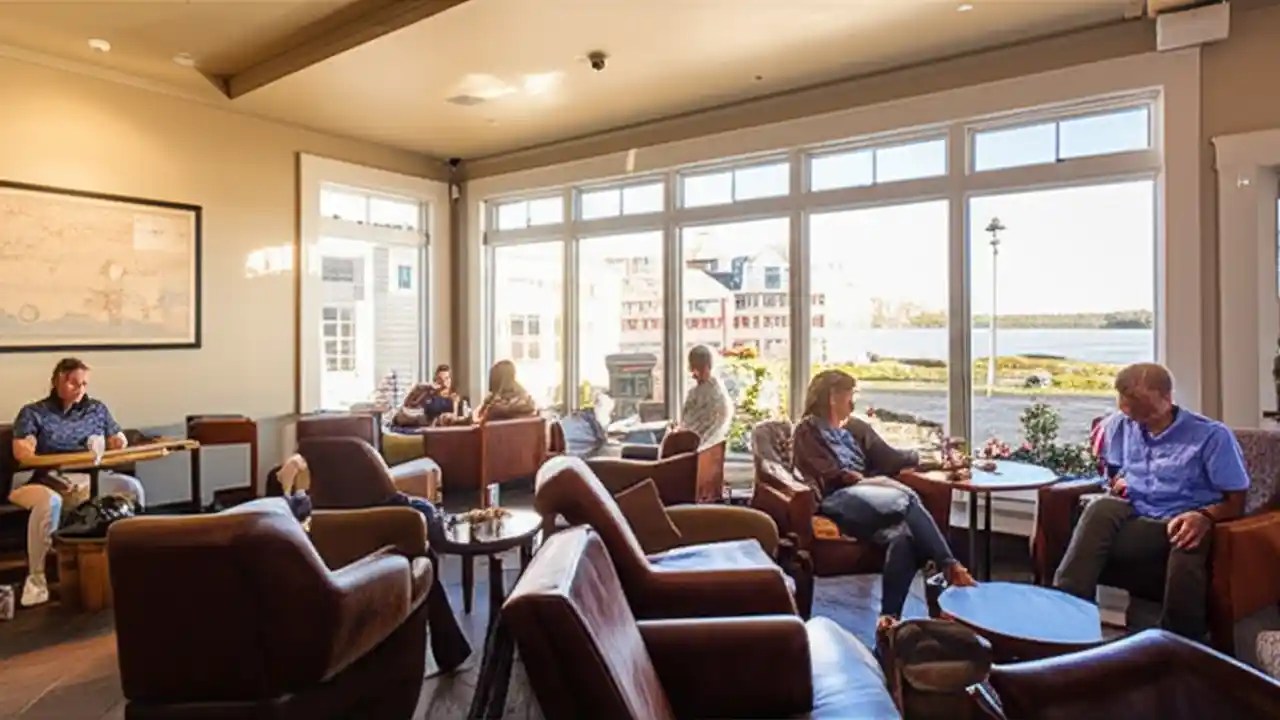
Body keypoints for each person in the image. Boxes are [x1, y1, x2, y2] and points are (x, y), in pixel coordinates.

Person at [1054, 362, 1250, 640]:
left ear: (1167, 398)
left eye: (1143, 411)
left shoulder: (1212, 436)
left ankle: (1179, 643)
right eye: (1128, 408)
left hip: (1183, 519)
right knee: (1101, 507)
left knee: (1187, 535)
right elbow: (1116, 471)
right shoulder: (1123, 424)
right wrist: (1119, 480)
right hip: (1139, 517)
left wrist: (1205, 516)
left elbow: (1236, 502)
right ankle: (1064, 618)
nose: (1135, 419)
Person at [791, 369, 974, 631]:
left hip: (869, 498)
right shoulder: (807, 430)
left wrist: (935, 461)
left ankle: (888, 622)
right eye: (849, 396)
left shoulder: (853, 428)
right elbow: (828, 474)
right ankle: (950, 565)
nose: (853, 403)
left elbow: (890, 458)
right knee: (905, 498)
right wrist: (863, 480)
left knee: (905, 539)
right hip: (836, 500)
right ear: (832, 397)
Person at [9, 357, 147, 607]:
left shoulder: (96, 409)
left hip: (89, 475)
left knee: (130, 488)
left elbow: (118, 438)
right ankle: (36, 578)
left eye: (84, 384)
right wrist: (31, 448)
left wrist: (115, 442)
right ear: (56, 381)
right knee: (50, 501)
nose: (80, 389)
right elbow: (23, 453)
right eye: (73, 383)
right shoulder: (34, 413)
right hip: (40, 478)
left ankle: (132, 563)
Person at [677, 345, 733, 448]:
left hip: (698, 449)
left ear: (708, 367)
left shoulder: (716, 396)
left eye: (698, 368)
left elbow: (708, 431)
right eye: (692, 368)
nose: (694, 373)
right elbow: (685, 421)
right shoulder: (694, 392)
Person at [394, 363, 460, 427]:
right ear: (436, 380)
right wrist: (423, 388)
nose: (444, 382)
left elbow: (455, 415)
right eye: (440, 379)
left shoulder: (453, 396)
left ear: (450, 379)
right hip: (422, 419)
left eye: (447, 378)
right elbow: (410, 404)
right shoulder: (430, 393)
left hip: (438, 422)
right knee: (402, 415)